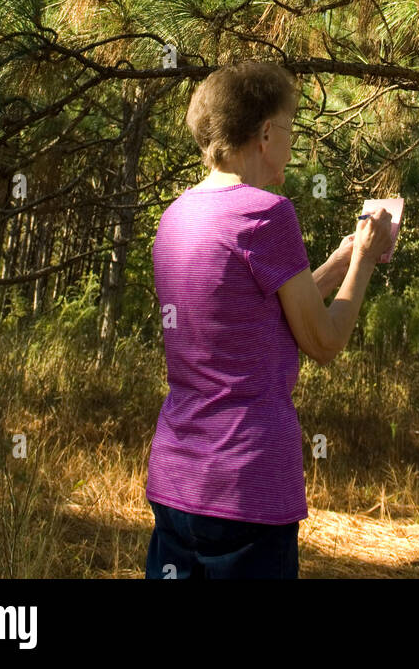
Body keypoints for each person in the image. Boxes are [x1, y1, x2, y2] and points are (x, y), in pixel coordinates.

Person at [144, 59, 391, 580]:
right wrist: (367, 260)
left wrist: (341, 259)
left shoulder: (177, 216)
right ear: (263, 132)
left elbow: (257, 311)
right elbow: (323, 341)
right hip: (247, 485)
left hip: (176, 479)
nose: (291, 144)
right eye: (289, 127)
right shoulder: (266, 212)